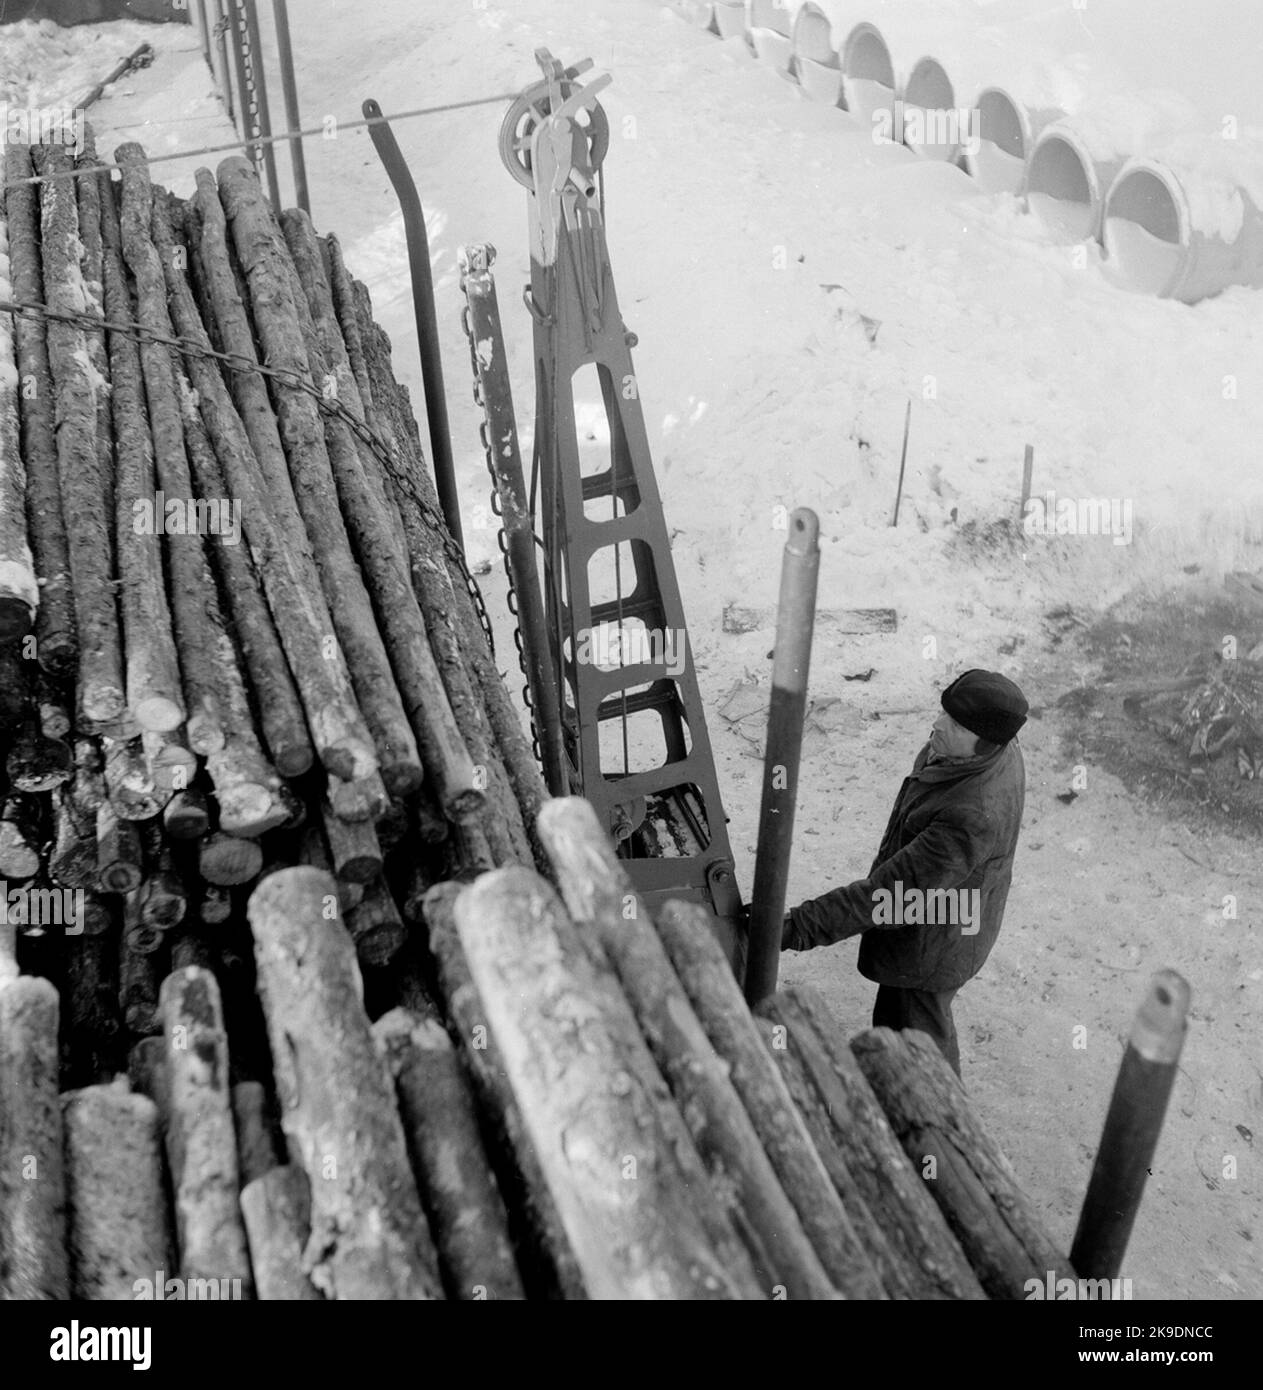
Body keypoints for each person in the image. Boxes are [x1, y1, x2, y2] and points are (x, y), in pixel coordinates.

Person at [781, 669, 1028, 1077]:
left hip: (933, 942)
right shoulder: (984, 750)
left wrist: (793, 928)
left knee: (918, 1050)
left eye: (954, 724)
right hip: (944, 912)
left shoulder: (972, 814)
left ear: (984, 740)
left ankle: (935, 1132)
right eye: (943, 714)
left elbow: (886, 896)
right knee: (904, 1028)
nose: (937, 726)